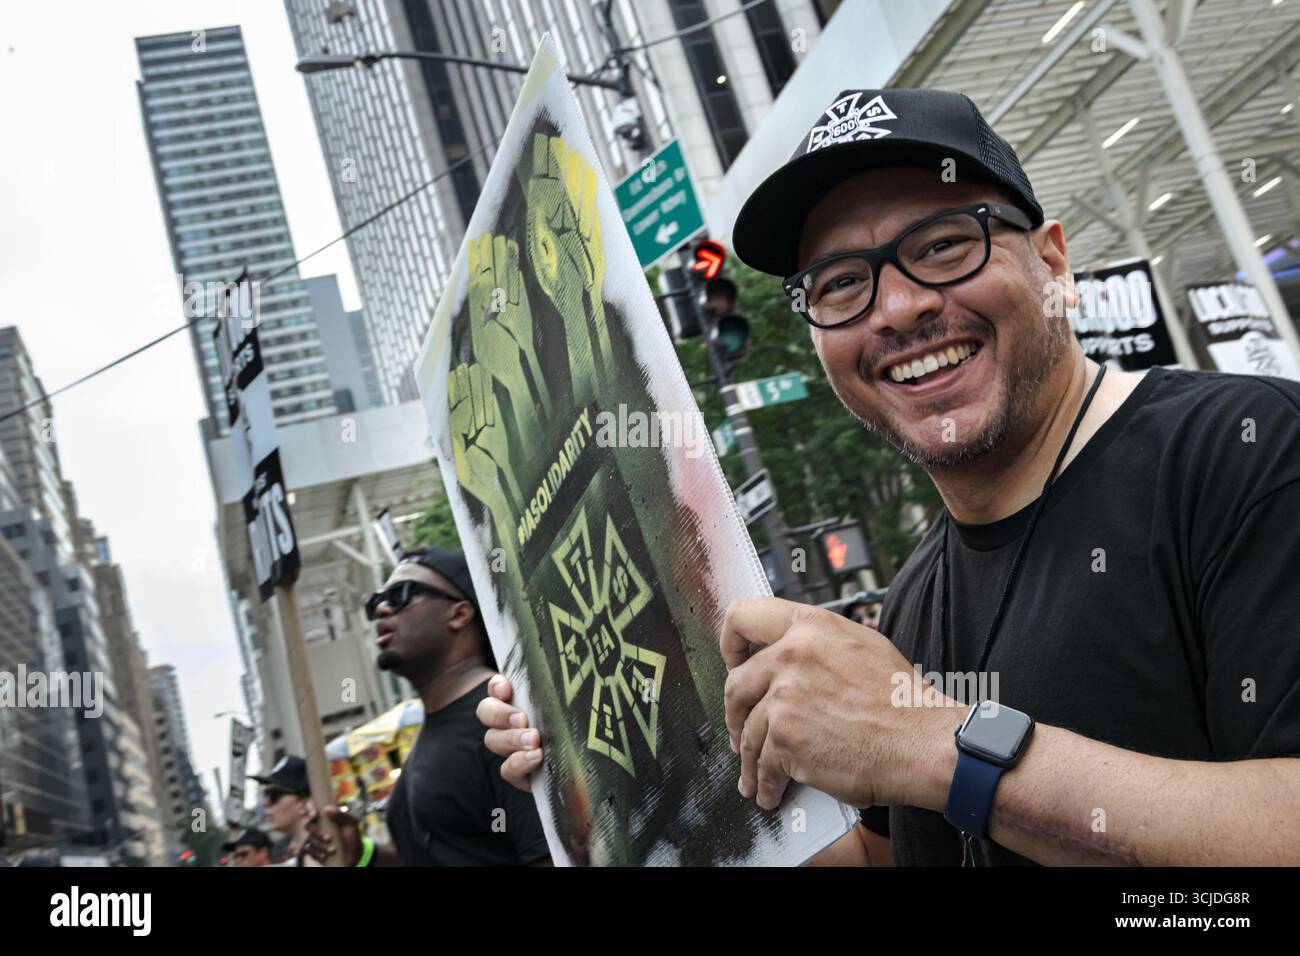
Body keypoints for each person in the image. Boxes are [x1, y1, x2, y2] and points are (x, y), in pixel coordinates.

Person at [479, 87, 1300, 866]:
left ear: (1054, 264)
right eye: (841, 284)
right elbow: (893, 853)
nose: (898, 308)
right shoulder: (909, 604)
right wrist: (636, 759)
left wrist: (937, 744)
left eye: (943, 245)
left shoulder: (1251, 452)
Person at [306, 547, 549, 866]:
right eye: (374, 601)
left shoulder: (505, 720)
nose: (381, 608)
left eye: (400, 594)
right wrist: (364, 855)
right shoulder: (432, 730)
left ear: (459, 613)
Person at [250, 755, 320, 867]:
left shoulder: (320, 853)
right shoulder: (311, 851)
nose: (265, 803)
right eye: (265, 794)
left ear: (305, 802)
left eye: (274, 795)